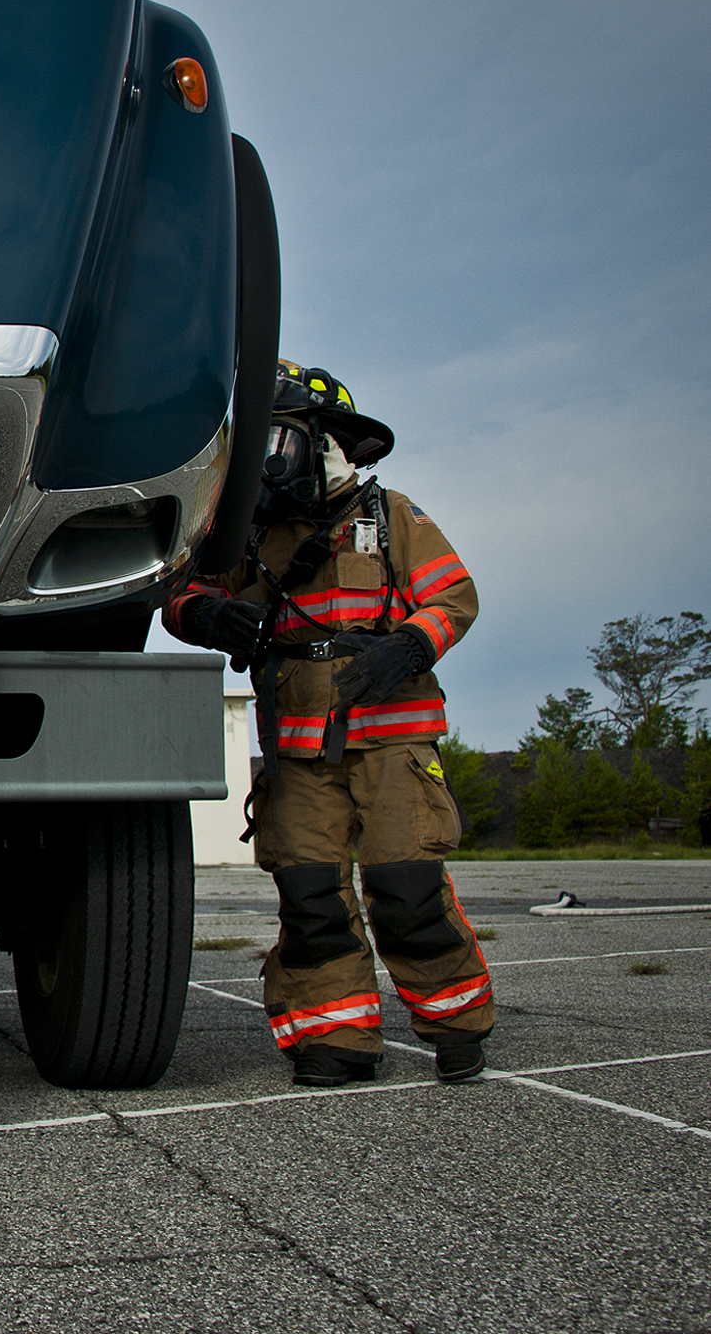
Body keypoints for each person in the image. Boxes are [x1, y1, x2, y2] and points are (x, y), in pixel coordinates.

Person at [166, 360, 492, 1088]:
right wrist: (211, 613)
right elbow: (178, 597)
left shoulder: (391, 517)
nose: (264, 465)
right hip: (298, 752)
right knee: (311, 900)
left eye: (277, 445)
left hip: (393, 741)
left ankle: (457, 1021)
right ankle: (335, 1039)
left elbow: (454, 597)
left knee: (407, 892)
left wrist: (409, 643)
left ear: (322, 443)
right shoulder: (246, 536)